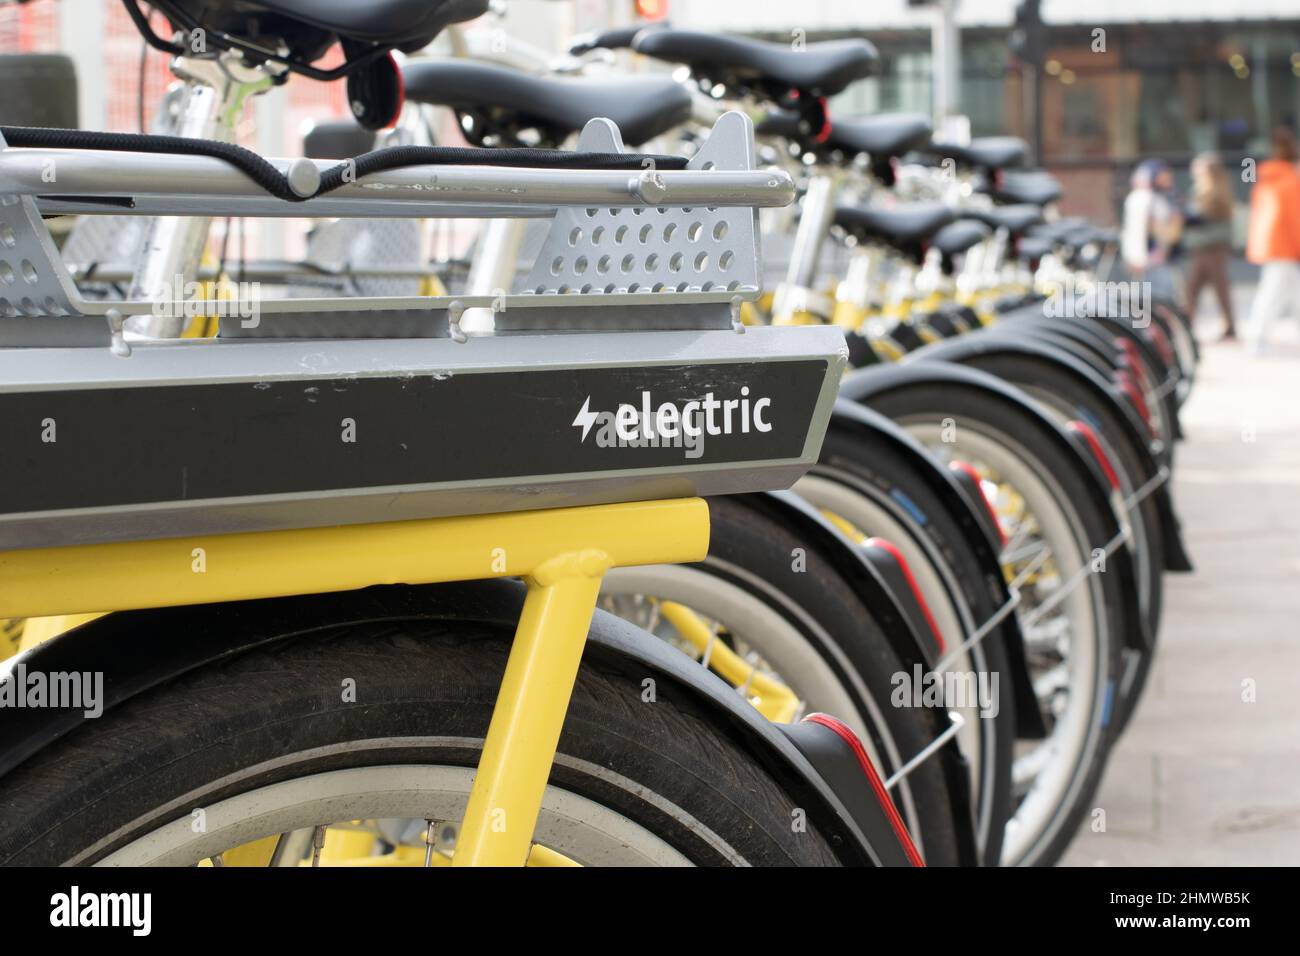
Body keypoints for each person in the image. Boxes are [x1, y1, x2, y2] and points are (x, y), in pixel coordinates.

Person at [1245, 127, 1300, 353]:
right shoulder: (1289, 180)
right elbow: (1295, 218)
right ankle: (1256, 339)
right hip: (1283, 244)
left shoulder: (1266, 178)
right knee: (1272, 293)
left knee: (1290, 291)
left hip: (1270, 243)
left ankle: (1257, 338)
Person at [1182, 152, 1237, 340]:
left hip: (1212, 248)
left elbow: (1201, 217)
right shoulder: (1202, 189)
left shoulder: (1214, 191)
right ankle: (1187, 323)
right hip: (1204, 247)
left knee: (1204, 288)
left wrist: (1186, 216)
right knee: (1196, 289)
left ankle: (1227, 326)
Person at [1122, 159, 1183, 306]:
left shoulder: (1158, 198)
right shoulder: (1145, 199)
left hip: (1156, 261)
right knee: (1157, 303)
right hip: (1151, 261)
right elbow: (1138, 232)